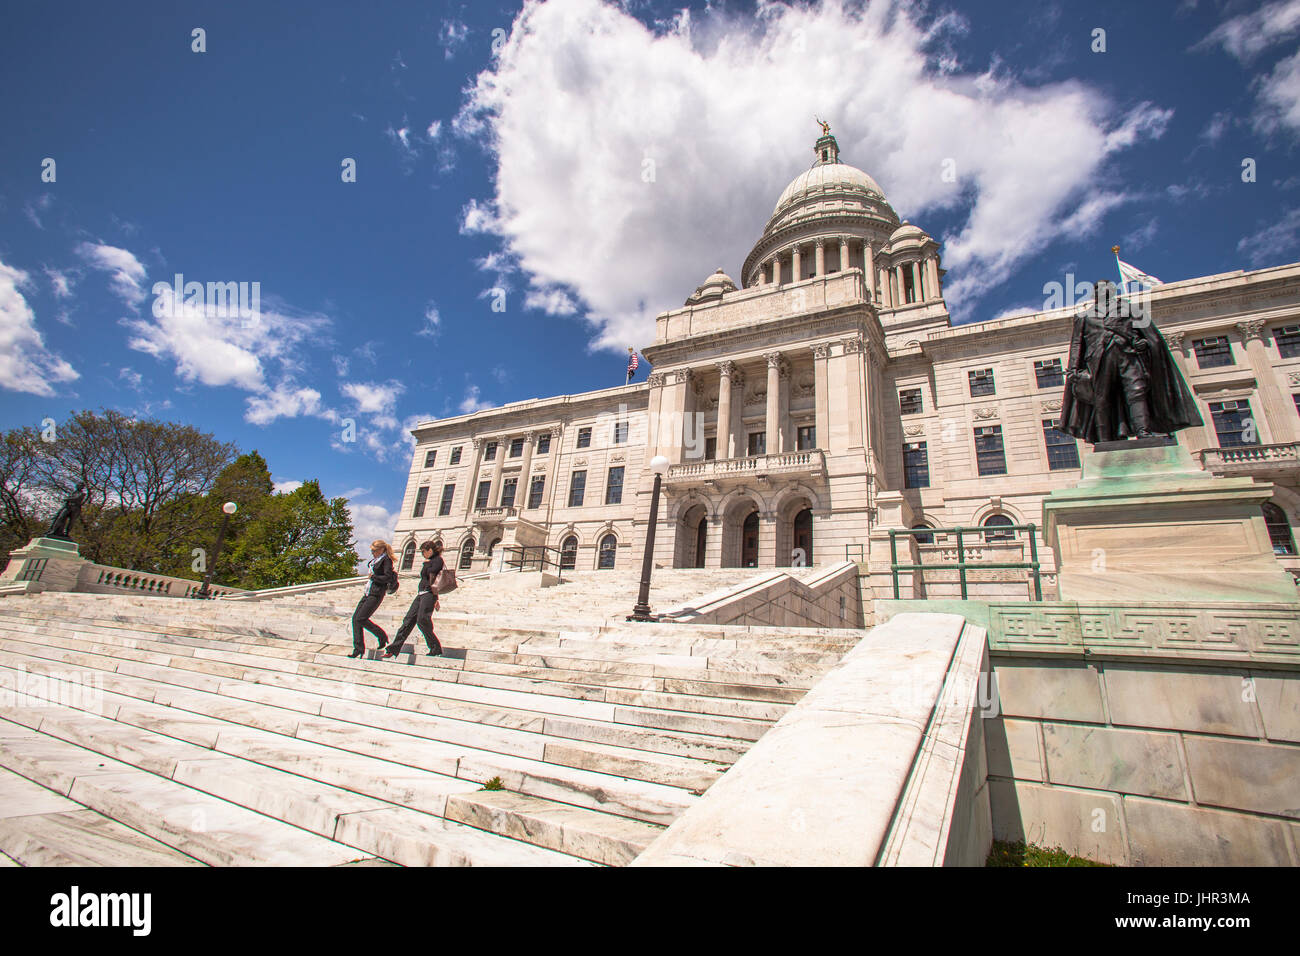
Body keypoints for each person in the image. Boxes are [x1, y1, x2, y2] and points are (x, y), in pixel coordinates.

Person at [1059, 279, 1201, 444]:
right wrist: (1073, 367)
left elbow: (1149, 336)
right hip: (1097, 361)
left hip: (1128, 355)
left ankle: (1143, 431)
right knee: (1101, 398)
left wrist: (1144, 344)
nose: (1101, 291)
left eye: (1105, 288)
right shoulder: (1083, 317)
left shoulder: (1131, 309)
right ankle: (1104, 439)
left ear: (1112, 291)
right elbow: (1077, 343)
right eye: (1097, 289)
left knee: (1136, 391)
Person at [385, 540, 444, 658]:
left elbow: (431, 574)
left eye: (423, 552)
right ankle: (394, 648)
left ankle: (435, 647)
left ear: (430, 550)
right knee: (408, 620)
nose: (422, 554)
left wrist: (436, 598)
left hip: (429, 594)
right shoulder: (430, 561)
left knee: (422, 619)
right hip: (421, 594)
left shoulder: (438, 561)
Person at [349, 539, 396, 658]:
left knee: (361, 618)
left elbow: (387, 577)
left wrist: (374, 577)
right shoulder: (375, 560)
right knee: (355, 619)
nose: (372, 553)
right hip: (367, 592)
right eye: (371, 551)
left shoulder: (386, 560)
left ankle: (381, 636)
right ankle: (358, 648)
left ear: (381, 550)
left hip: (376, 593)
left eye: (374, 551)